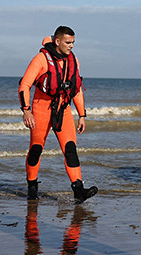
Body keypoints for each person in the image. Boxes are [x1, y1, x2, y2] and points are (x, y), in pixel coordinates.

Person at [18, 26, 99, 203]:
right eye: (68, 42)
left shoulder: (73, 60)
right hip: (41, 110)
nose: (71, 46)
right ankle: (32, 188)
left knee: (70, 150)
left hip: (63, 111)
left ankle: (78, 190)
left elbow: (76, 89)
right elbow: (24, 85)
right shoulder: (41, 59)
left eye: (73, 43)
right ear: (57, 41)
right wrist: (26, 111)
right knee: (36, 150)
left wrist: (82, 115)